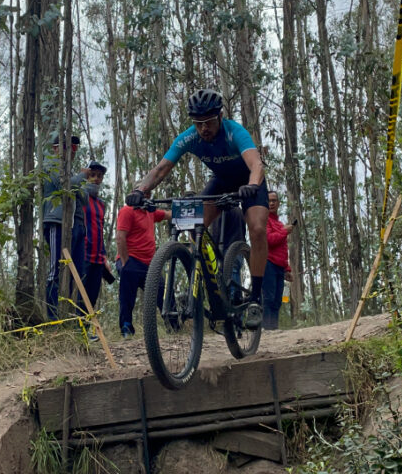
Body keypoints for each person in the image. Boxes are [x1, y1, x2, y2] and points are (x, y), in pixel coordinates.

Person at [126, 89, 268, 329]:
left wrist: (252, 185)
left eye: (209, 123)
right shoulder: (189, 137)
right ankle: (210, 280)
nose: (204, 129)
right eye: (198, 123)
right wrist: (141, 190)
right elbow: (161, 169)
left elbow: (256, 164)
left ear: (220, 117)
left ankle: (254, 298)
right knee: (193, 225)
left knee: (256, 228)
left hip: (249, 183)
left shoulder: (234, 132)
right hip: (222, 180)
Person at [42, 134, 85, 320]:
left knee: (74, 273)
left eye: (74, 148)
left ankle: (70, 318)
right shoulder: (50, 165)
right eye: (67, 146)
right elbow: (65, 185)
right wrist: (83, 175)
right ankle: (52, 319)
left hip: (70, 226)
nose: (71, 151)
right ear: (56, 148)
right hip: (55, 222)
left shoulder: (68, 169)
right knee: (55, 271)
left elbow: (82, 195)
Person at [115, 191, 169, 338]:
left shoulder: (150, 212)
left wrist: (184, 209)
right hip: (131, 260)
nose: (146, 196)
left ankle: (173, 325)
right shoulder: (127, 211)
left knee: (162, 292)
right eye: (143, 194)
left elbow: (167, 214)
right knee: (127, 296)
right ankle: (126, 329)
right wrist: (126, 264)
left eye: (148, 194)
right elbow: (120, 237)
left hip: (149, 265)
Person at [81, 161, 115, 326]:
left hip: (97, 258)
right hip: (83, 255)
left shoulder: (101, 204)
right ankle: (76, 330)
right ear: (87, 176)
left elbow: (100, 230)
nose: (95, 179)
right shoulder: (79, 197)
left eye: (99, 176)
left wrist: (104, 258)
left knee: (92, 296)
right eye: (92, 175)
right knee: (80, 296)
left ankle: (86, 331)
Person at [262, 191, 294, 329]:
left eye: (274, 200)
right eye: (269, 201)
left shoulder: (279, 223)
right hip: (268, 263)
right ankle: (265, 327)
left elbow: (282, 248)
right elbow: (269, 240)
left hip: (279, 267)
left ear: (279, 203)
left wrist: (287, 269)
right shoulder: (264, 220)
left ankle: (273, 328)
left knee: (277, 300)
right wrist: (285, 231)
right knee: (268, 298)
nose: (272, 203)